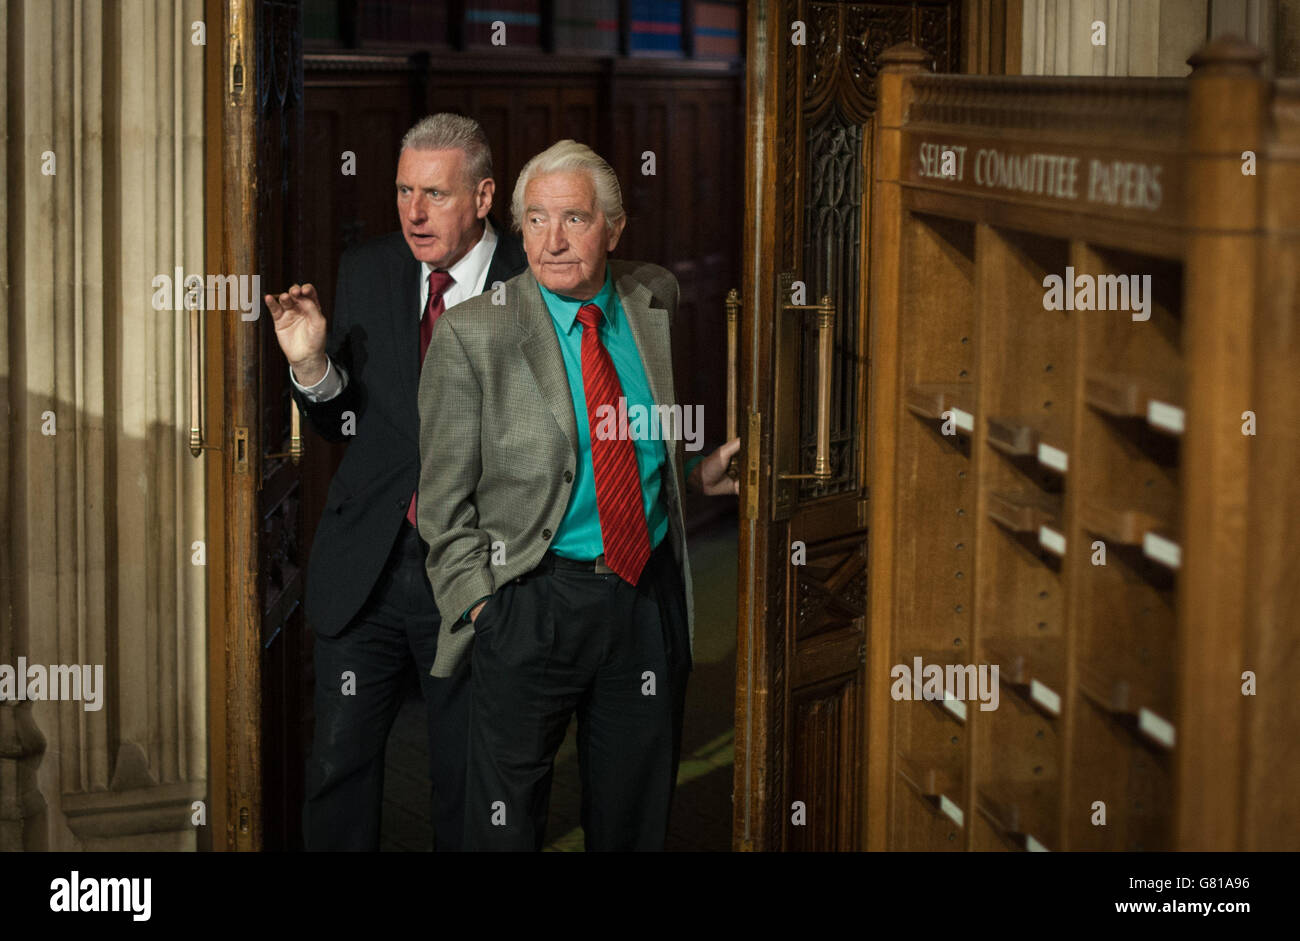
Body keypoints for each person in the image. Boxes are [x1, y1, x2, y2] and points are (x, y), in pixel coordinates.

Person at [417, 139, 740, 851]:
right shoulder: (476, 334)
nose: (552, 241)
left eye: (574, 219)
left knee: (633, 818)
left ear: (615, 229)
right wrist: (486, 607)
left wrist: (691, 478)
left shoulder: (652, 297)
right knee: (505, 825)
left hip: (644, 601)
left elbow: (625, 454)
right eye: (534, 220)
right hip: (533, 604)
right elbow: (441, 505)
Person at [263, 113, 526, 851]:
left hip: (475, 574)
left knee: (466, 781)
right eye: (404, 190)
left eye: (435, 194)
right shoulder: (370, 267)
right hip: (370, 567)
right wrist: (313, 365)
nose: (413, 211)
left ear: (482, 196)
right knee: (338, 768)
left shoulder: (531, 281)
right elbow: (342, 422)